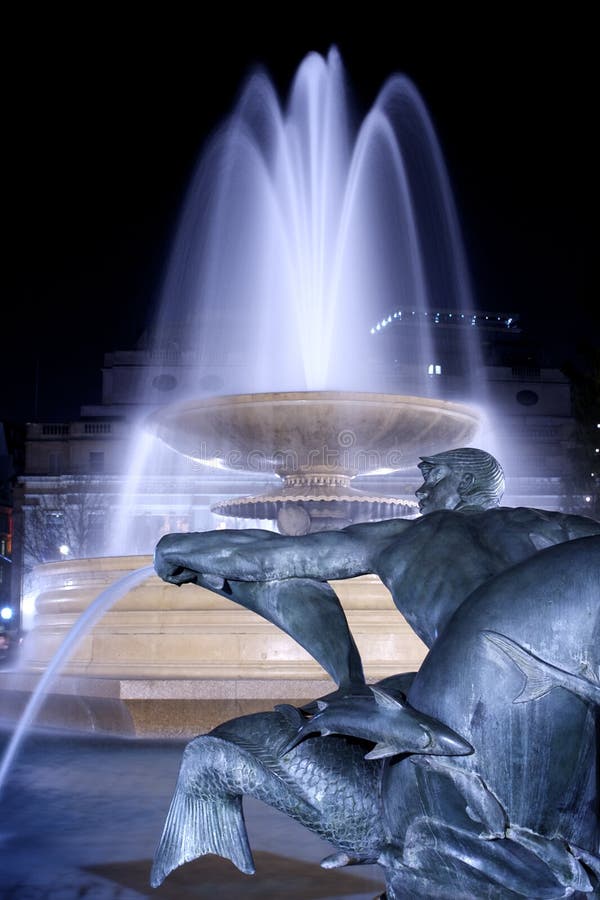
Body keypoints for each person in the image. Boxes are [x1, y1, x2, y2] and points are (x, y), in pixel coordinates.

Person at [155, 447, 600, 652]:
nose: (419, 488)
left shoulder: (399, 535)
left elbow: (276, 558)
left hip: (469, 684)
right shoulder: (561, 527)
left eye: (434, 475)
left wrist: (177, 546)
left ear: (465, 483)